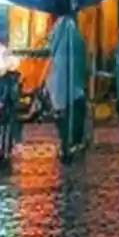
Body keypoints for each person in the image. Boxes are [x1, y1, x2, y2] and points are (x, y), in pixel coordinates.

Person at [45, 15, 87, 162]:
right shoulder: (76, 38)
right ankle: (73, 143)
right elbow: (82, 64)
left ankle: (66, 144)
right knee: (74, 115)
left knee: (63, 117)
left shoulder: (57, 37)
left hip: (60, 87)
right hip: (74, 88)